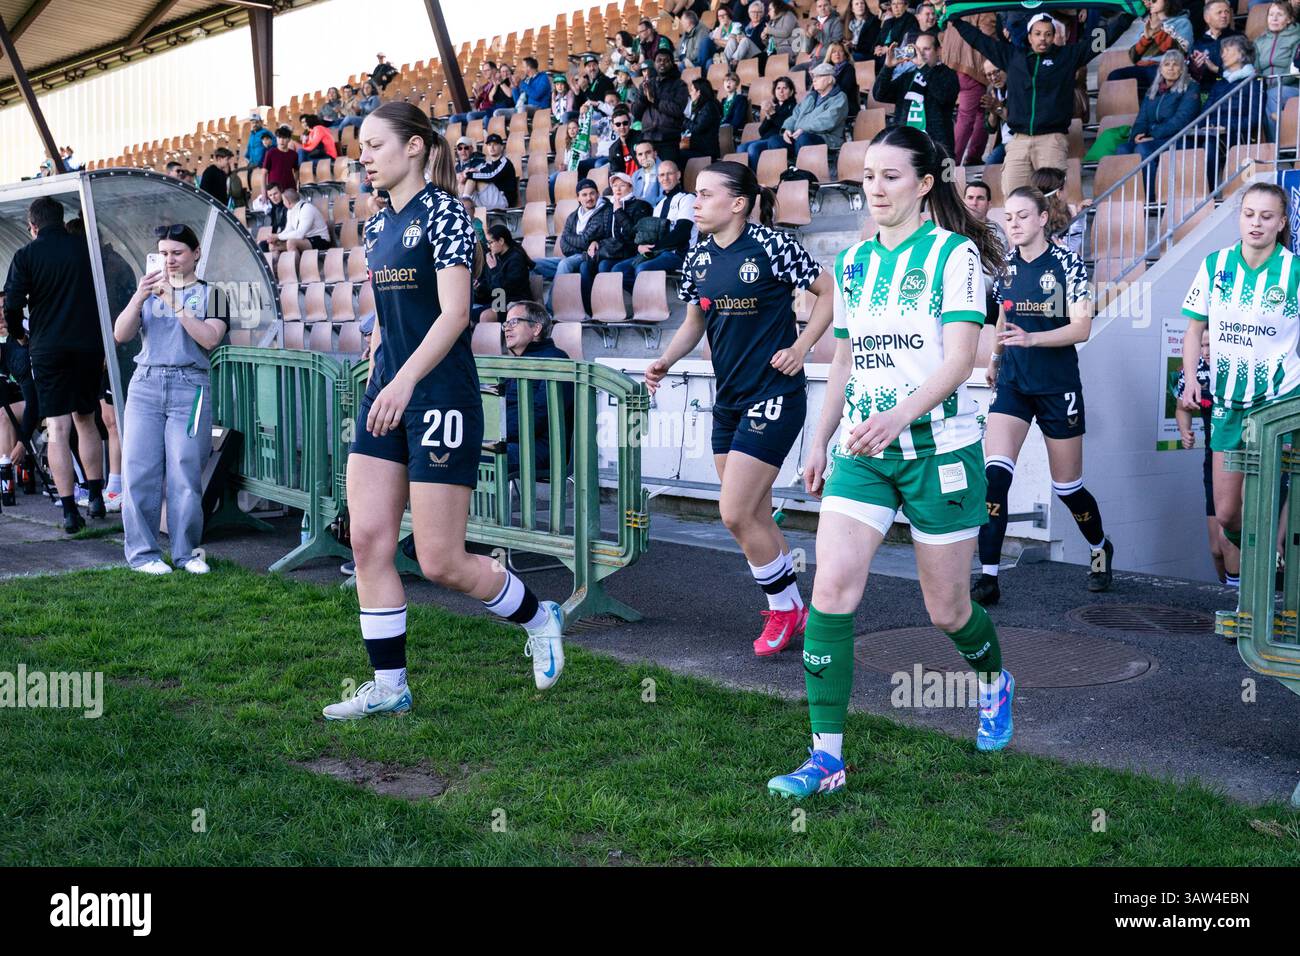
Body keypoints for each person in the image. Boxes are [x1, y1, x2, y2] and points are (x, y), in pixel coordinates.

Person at [766, 125, 1014, 799]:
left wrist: (898, 416)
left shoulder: (954, 254)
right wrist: (819, 441)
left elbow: (963, 359)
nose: (875, 187)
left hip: (938, 452)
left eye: (891, 176)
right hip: (863, 454)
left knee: (948, 611)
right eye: (868, 175)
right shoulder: (851, 264)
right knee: (831, 593)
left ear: (925, 184)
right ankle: (826, 757)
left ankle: (993, 682)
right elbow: (843, 359)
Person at [324, 101, 566, 723]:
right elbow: (391, 310)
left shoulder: (448, 215)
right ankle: (388, 685)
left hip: (437, 396)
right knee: (370, 543)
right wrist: (381, 356)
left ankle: (541, 618)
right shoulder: (378, 226)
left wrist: (403, 382)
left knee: (440, 561)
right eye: (362, 148)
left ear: (413, 148)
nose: (365, 157)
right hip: (389, 393)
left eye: (375, 145)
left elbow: (455, 314)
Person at [647, 160, 833, 658]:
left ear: (738, 203)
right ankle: (796, 608)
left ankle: (783, 608)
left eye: (706, 195)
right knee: (751, 511)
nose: (695, 203)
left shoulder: (775, 246)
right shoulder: (697, 255)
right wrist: (666, 358)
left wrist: (802, 347)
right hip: (727, 400)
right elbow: (693, 322)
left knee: (732, 513)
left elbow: (830, 292)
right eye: (694, 194)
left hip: (774, 395)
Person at [973, 187, 1110, 606]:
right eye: (1008, 217)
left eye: (1021, 216)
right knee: (994, 477)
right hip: (1014, 382)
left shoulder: (1068, 263)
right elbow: (1003, 317)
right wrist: (996, 355)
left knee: (1068, 488)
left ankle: (1100, 549)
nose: (1012, 224)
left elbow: (1082, 327)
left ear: (1042, 219)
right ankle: (989, 576)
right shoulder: (1007, 265)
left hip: (1057, 387)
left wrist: (1033, 339)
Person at [1180, 182, 1300, 599]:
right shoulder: (1215, 264)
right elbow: (1194, 327)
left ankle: (1263, 583)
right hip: (1227, 404)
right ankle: (1273, 548)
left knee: (1261, 506)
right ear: (1240, 216)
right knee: (1228, 514)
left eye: (1267, 216)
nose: (1256, 223)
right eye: (1249, 214)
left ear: (1281, 222)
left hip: (1277, 405)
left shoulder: (1294, 271)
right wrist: (1193, 377)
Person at [112, 224, 229, 574]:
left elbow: (209, 339)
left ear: (196, 254)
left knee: (184, 470)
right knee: (139, 471)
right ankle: (143, 555)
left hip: (190, 387)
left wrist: (174, 302)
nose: (169, 260)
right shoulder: (148, 290)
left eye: (177, 252)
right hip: (146, 384)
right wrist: (139, 297)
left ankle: (186, 553)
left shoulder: (215, 294)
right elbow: (121, 334)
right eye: (163, 253)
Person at [3, 197, 105, 532]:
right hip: (86, 345)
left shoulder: (26, 256)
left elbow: (12, 305)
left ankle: (68, 512)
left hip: (48, 349)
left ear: (32, 225)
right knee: (87, 420)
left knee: (59, 430)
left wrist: (19, 335)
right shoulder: (83, 249)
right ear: (62, 220)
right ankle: (95, 496)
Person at [953, 9, 1134, 197]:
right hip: (1018, 141)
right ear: (1029, 36)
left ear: (1054, 36)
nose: (1043, 39)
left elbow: (1102, 41)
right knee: (1013, 197)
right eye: (1038, 34)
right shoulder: (1012, 56)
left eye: (1048, 34)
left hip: (1052, 140)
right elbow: (979, 41)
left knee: (1053, 199)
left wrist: (1127, 16)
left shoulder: (1067, 57)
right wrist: (956, 22)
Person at [1173, 326, 1228, 582]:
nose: (1205, 352)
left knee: (1230, 543)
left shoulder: (1236, 371)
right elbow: (1182, 408)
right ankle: (1227, 593)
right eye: (1202, 346)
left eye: (1210, 346)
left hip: (1238, 461)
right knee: (1217, 549)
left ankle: (1241, 603)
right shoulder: (1193, 373)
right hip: (1211, 462)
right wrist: (1185, 430)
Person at [501, 300, 575, 481]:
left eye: (514, 322)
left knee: (470, 455)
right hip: (510, 441)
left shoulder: (557, 361)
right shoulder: (515, 363)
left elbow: (539, 416)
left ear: (536, 329)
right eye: (505, 324)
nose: (507, 329)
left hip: (541, 449)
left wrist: (495, 433)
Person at [609, 160, 694, 291]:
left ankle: (651, 303)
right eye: (661, 175)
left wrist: (654, 248)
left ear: (678, 175)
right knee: (618, 270)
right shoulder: (659, 205)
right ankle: (643, 301)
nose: (665, 178)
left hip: (679, 254)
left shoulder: (687, 198)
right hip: (658, 252)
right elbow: (651, 235)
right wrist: (641, 247)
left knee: (643, 268)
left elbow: (682, 232)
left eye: (669, 174)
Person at [872, 31, 960, 156]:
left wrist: (924, 67)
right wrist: (888, 67)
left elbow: (944, 96)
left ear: (939, 51)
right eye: (918, 49)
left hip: (937, 148)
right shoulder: (908, 77)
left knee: (943, 176)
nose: (921, 53)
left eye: (926, 49)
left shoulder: (948, 74)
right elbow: (879, 94)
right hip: (905, 145)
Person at [1116, 50, 1200, 173]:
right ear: (1160, 69)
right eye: (1166, 64)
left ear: (1182, 69)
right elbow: (1141, 119)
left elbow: (1180, 121)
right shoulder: (1153, 91)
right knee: (1123, 149)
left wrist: (1151, 135)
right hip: (1153, 138)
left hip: (1178, 139)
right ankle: (1130, 191)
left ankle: (1149, 192)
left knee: (1143, 149)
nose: (1170, 68)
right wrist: (1138, 135)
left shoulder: (1191, 88)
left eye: (1175, 64)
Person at [748, 62, 849, 162]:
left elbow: (826, 121)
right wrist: (787, 129)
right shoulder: (811, 97)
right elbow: (794, 115)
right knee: (775, 140)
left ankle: (802, 172)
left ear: (830, 79)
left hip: (826, 138)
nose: (814, 80)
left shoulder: (839, 98)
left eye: (819, 77)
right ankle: (785, 173)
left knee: (803, 139)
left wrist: (803, 129)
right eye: (814, 77)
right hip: (799, 135)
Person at [533, 178, 608, 310]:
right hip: (573, 256)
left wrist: (575, 240)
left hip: (588, 257)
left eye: (592, 193)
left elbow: (585, 239)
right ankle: (533, 307)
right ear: (578, 197)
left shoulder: (603, 212)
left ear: (597, 194)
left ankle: (551, 310)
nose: (589, 198)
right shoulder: (573, 216)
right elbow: (564, 244)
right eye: (584, 195)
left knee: (565, 264)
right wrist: (579, 242)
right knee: (533, 263)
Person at [581, 171, 652, 307]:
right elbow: (603, 232)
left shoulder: (641, 206)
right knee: (588, 265)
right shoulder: (609, 207)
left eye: (622, 185)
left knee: (605, 266)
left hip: (632, 251)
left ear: (631, 187)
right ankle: (594, 308)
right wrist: (594, 241)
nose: (618, 189)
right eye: (614, 186)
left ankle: (620, 305)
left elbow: (635, 234)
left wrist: (619, 211)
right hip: (615, 251)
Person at [631, 49, 689, 163]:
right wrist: (644, 98)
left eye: (666, 60)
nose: (662, 63)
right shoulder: (646, 84)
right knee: (650, 176)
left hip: (668, 138)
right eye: (659, 60)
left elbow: (677, 109)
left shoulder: (679, 85)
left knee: (669, 175)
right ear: (654, 64)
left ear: (672, 64)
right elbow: (635, 112)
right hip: (648, 138)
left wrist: (655, 101)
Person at [1254, 1, 1300, 138]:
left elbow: (1294, 70)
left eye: (1279, 15)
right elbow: (1256, 69)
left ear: (1289, 19)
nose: (1274, 18)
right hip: (1266, 87)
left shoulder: (1297, 37)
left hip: (1292, 87)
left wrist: (1271, 84)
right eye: (1271, 15)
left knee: (1273, 95)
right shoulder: (1259, 41)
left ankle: (1278, 148)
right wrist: (1261, 84)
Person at [474, 225, 533, 323]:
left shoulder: (516, 259)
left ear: (501, 241)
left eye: (491, 243)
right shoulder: (496, 257)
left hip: (516, 302)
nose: (489, 246)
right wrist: (479, 288)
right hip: (500, 301)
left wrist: (494, 269)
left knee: (486, 316)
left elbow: (504, 289)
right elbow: (491, 288)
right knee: (469, 314)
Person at [739, 75, 797, 169]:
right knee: (741, 148)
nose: (781, 91)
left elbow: (784, 127)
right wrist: (768, 115)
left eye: (784, 88)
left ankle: (756, 177)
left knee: (753, 148)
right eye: (778, 88)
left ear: (791, 92)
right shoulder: (774, 107)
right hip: (765, 139)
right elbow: (761, 132)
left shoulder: (794, 107)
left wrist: (772, 113)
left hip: (778, 141)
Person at [1188, 0, 1239, 93]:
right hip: (1204, 91)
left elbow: (1244, 70)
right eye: (1219, 12)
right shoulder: (1198, 43)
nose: (1224, 15)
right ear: (1207, 18)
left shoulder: (1238, 39)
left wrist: (1214, 68)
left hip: (1231, 90)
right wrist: (1195, 67)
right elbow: (1192, 76)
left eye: (1226, 12)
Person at [459, 132, 518, 211]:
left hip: (503, 201)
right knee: (464, 181)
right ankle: (462, 205)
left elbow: (492, 176)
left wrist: (470, 175)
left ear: (502, 147)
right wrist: (467, 173)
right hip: (490, 200)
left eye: (495, 144)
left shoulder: (505, 162)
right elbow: (478, 172)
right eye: (489, 145)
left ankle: (464, 206)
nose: (492, 147)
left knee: (474, 178)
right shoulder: (488, 164)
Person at [268, 188, 332, 253]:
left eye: (284, 201)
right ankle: (275, 263)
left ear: (288, 202)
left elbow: (299, 234)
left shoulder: (307, 209)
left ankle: (294, 263)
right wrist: (277, 238)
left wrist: (278, 236)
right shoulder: (290, 211)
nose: (283, 203)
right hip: (304, 239)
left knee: (291, 243)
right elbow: (288, 230)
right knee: (274, 245)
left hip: (320, 240)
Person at [681, 78, 723, 161]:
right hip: (700, 148)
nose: (690, 93)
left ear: (699, 92)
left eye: (692, 90)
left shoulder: (709, 107)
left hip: (706, 152)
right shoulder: (703, 106)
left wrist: (682, 119)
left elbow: (697, 128)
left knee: (677, 155)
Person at [873, 0, 919, 75]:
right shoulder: (888, 22)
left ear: (906, 5)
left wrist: (888, 49)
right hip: (882, 58)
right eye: (893, 4)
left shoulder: (911, 20)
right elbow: (878, 40)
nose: (896, 6)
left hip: (898, 59)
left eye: (899, 3)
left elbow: (908, 49)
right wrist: (877, 48)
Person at [261, 126, 299, 195]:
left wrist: (295, 186)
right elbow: (264, 173)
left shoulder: (294, 154)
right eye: (279, 138)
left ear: (289, 139)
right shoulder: (271, 153)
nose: (281, 141)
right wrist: (264, 193)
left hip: (289, 189)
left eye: (284, 138)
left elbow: (296, 171)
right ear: (276, 139)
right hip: (275, 191)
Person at [632, 140, 665, 205]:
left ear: (655, 154)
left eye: (648, 152)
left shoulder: (664, 170)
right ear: (637, 158)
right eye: (640, 154)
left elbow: (664, 198)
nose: (644, 157)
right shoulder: (636, 174)